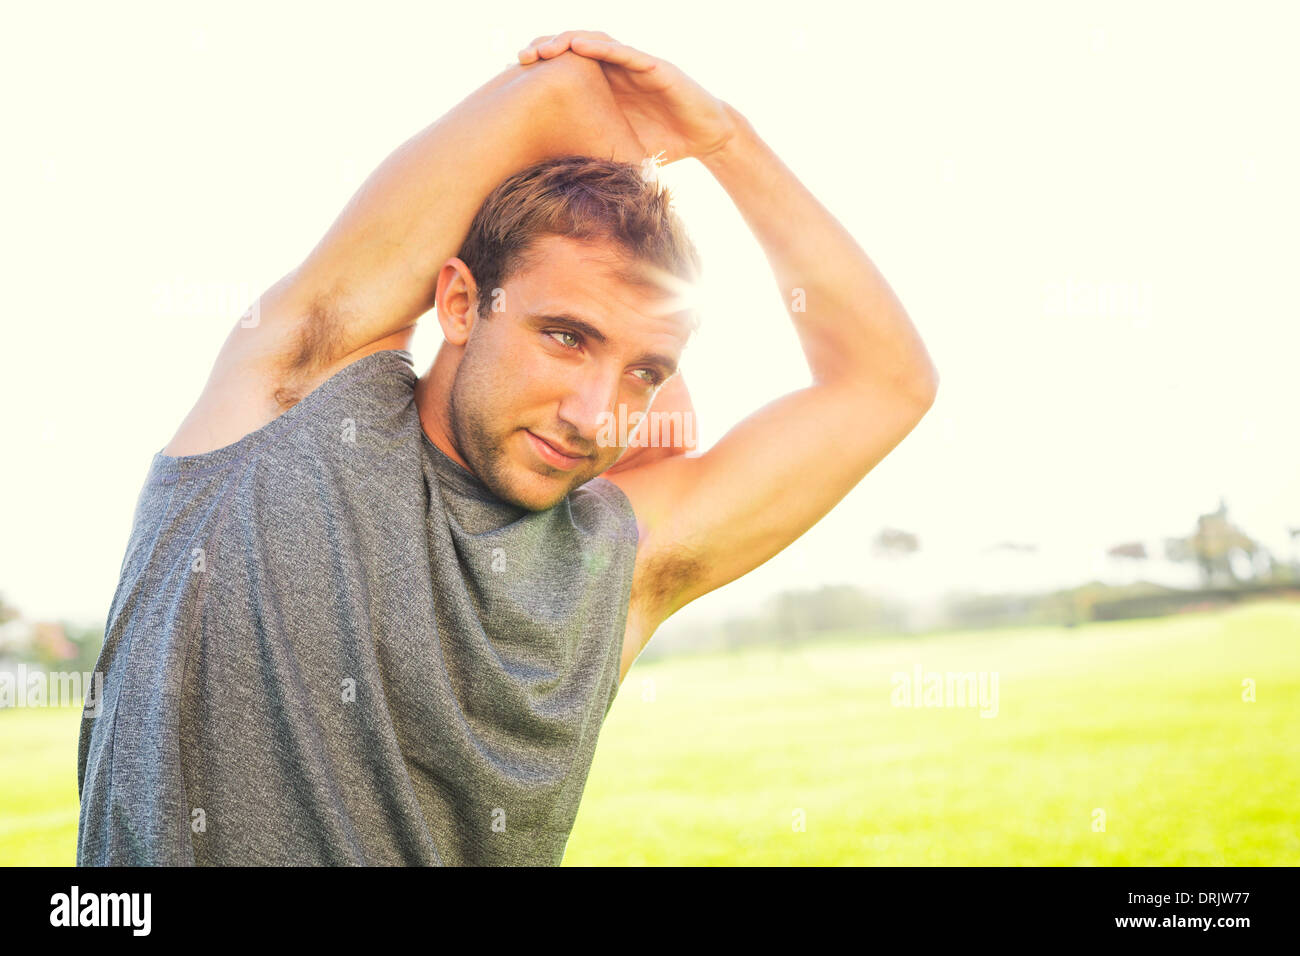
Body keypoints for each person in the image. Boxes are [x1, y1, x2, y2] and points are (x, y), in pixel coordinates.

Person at [76, 31, 938, 866]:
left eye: (646, 371)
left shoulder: (622, 565)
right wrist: (657, 163)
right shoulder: (294, 398)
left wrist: (728, 139)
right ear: (459, 303)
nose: (598, 414)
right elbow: (557, 93)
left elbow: (888, 383)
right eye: (566, 336)